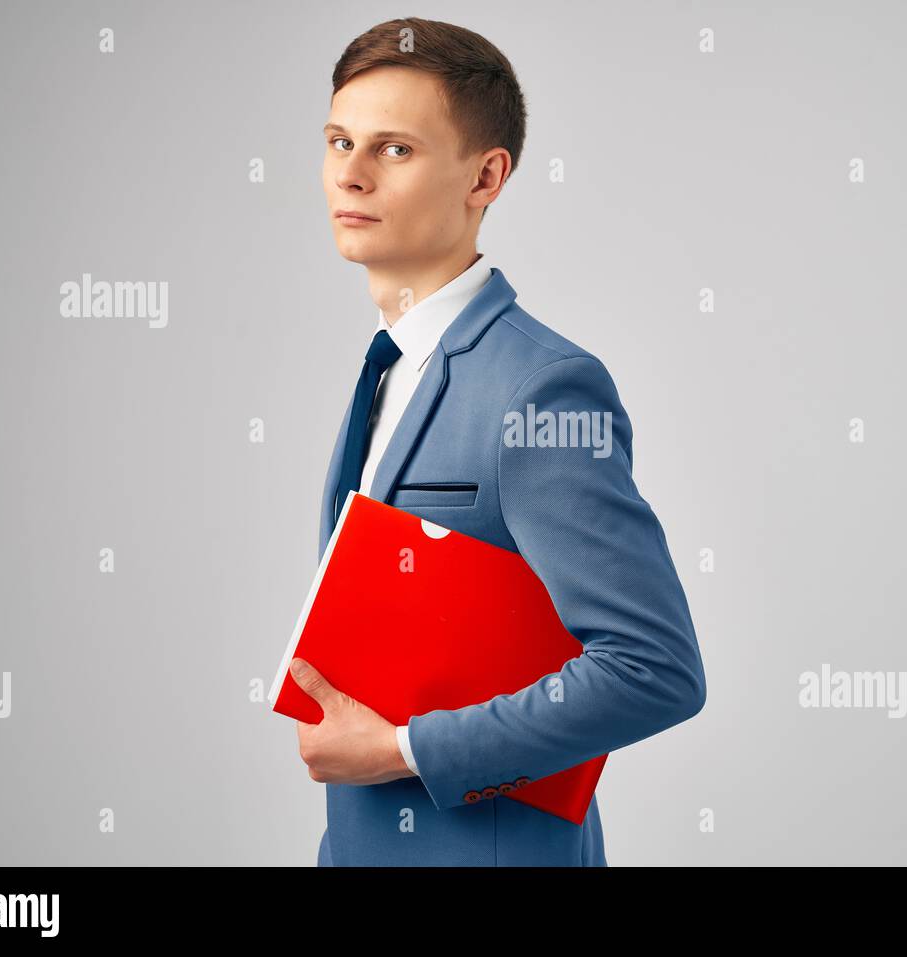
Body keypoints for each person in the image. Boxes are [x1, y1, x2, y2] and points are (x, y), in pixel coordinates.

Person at [295, 16, 706, 867]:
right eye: (340, 141)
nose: (353, 174)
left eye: (395, 150)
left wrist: (406, 751)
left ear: (487, 175)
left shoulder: (541, 386)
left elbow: (654, 665)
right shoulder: (388, 369)